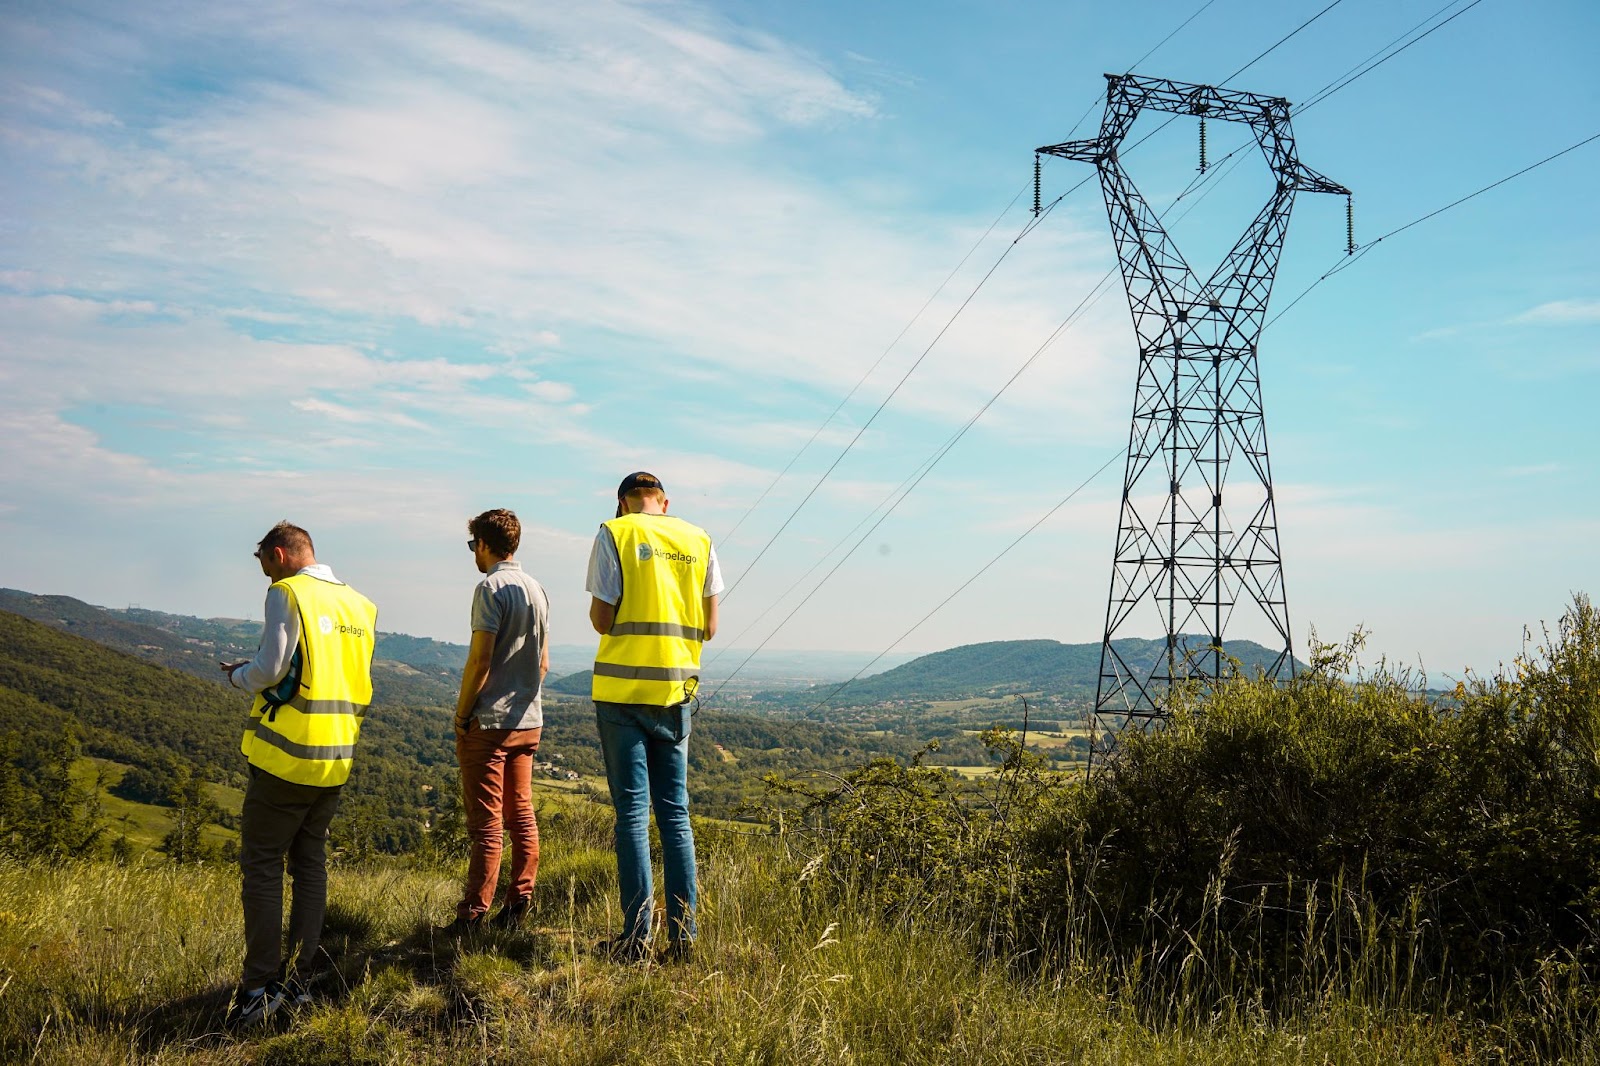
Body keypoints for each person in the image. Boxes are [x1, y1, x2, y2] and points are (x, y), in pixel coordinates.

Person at [219, 521, 377, 1027]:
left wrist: (238, 676)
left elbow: (270, 669)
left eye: (264, 563)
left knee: (262, 865)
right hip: (336, 756)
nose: (265, 575)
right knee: (310, 864)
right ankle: (300, 983)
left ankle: (259, 990)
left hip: (287, 757)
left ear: (281, 554)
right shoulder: (360, 604)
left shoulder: (288, 592)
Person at [586, 471, 723, 961]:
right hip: (677, 692)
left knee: (632, 817)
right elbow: (709, 627)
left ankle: (636, 938)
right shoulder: (699, 538)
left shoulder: (615, 532)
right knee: (676, 816)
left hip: (623, 693)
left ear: (623, 503)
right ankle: (684, 940)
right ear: (664, 502)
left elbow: (602, 619)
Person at [444, 508, 551, 935]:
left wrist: (462, 712)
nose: (474, 553)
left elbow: (480, 659)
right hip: (529, 720)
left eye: (474, 546)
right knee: (520, 814)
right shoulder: (537, 589)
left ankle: (473, 914)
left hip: (489, 723)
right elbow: (543, 664)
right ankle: (519, 903)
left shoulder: (490, 588)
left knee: (486, 824)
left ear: (485, 545)